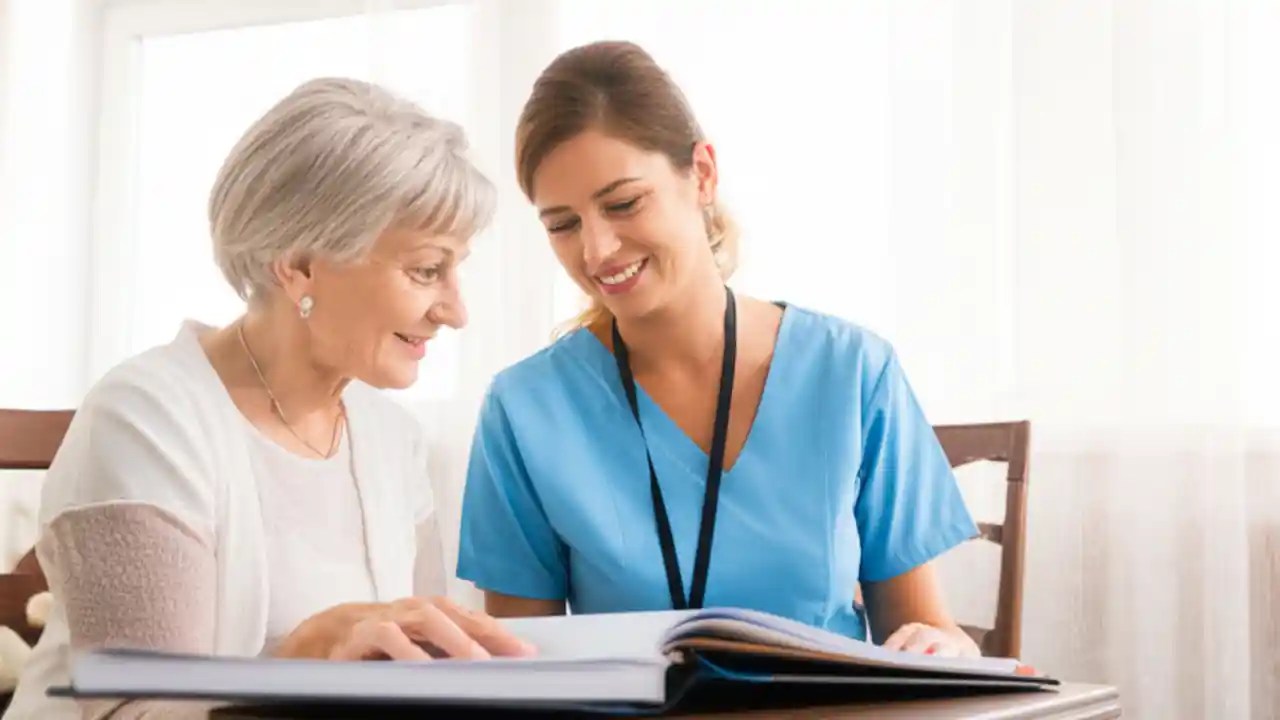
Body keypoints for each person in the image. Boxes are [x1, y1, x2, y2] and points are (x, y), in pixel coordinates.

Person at [6, 78, 533, 720]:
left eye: (458, 269)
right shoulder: (145, 418)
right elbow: (132, 713)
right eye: (426, 270)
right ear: (301, 264)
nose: (455, 310)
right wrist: (299, 663)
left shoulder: (392, 439)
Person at [456, 41, 981, 659]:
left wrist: (945, 648)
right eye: (562, 224)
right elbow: (521, 668)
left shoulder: (852, 373)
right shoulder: (524, 410)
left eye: (623, 204)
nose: (596, 251)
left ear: (701, 174)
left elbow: (923, 634)